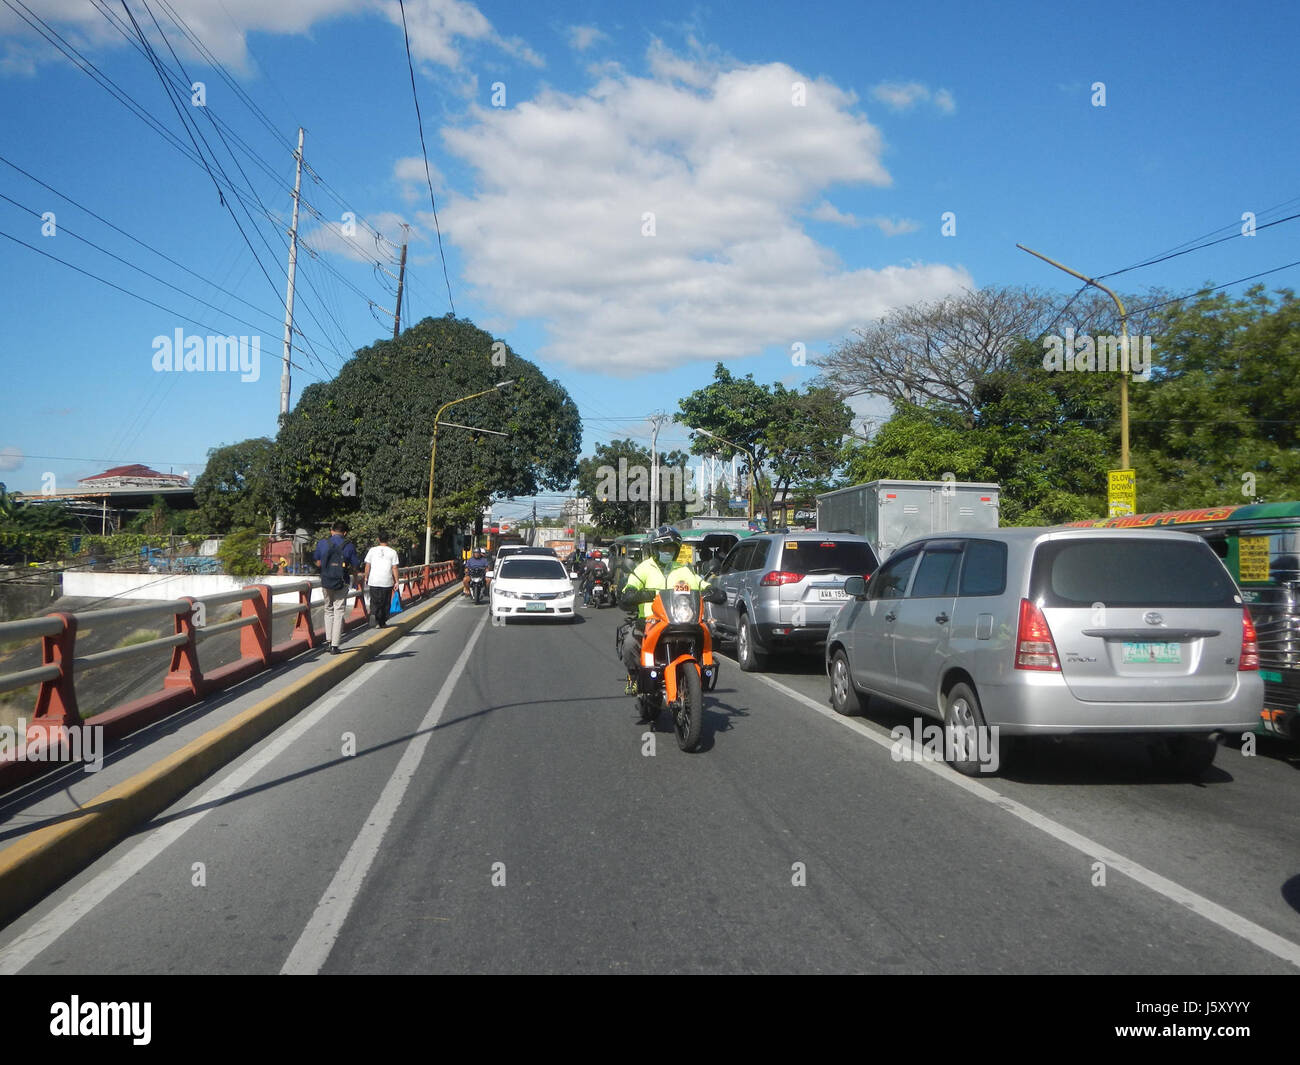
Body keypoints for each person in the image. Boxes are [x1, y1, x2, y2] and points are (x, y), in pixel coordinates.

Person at [617, 525, 717, 710]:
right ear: (655, 549)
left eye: (671, 548)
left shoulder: (684, 570)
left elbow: (700, 584)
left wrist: (712, 590)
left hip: (680, 620)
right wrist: (634, 593)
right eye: (663, 548)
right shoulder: (644, 569)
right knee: (630, 643)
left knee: (708, 634)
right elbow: (628, 591)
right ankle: (634, 675)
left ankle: (699, 674)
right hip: (649, 622)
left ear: (677, 550)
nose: (667, 551)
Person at [314, 520, 360, 654]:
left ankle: (328, 641)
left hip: (326, 581)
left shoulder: (322, 543)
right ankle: (335, 645)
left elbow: (318, 563)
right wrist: (356, 579)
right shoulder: (349, 545)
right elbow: (355, 565)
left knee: (328, 610)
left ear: (332, 531)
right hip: (342, 581)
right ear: (345, 533)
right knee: (339, 611)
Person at [363, 530, 400, 628]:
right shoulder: (393, 552)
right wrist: (397, 581)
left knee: (375, 600)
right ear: (388, 540)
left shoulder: (372, 550)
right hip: (387, 581)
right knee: (385, 602)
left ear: (378, 539)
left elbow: (367, 565)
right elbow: (394, 568)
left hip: (374, 580)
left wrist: (366, 576)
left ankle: (374, 614)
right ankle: (382, 622)